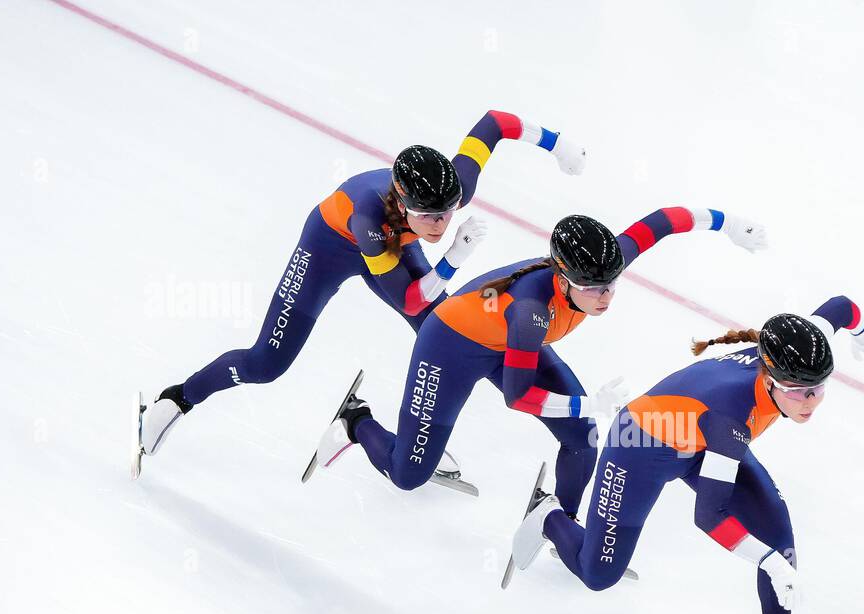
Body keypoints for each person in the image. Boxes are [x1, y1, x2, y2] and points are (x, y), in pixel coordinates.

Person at [134, 110, 586, 466]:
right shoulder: (369, 218)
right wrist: (452, 260)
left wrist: (557, 143)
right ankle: (178, 397)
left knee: (452, 331)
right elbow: (409, 297)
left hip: (393, 245)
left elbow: (496, 124)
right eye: (430, 217)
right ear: (403, 204)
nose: (442, 224)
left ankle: (393, 437)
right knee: (266, 362)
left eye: (449, 214)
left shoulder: (451, 188)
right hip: (332, 246)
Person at [508, 301, 864, 614]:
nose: (810, 402)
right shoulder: (732, 416)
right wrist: (768, 562)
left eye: (818, 389)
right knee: (597, 574)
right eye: (798, 392)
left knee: (776, 526)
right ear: (768, 378)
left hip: (698, 439)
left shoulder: (798, 349)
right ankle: (549, 515)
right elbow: (709, 515)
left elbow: (839, 308)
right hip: (639, 448)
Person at [310, 207, 767, 517]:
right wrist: (590, 405)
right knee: (409, 473)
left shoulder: (599, 265)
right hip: (450, 347)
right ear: (563, 279)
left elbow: (663, 221)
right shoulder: (531, 312)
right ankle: (355, 422)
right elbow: (520, 397)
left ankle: (554, 518)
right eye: (592, 289)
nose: (605, 296)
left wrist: (727, 224)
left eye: (611, 284)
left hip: (506, 341)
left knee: (583, 441)